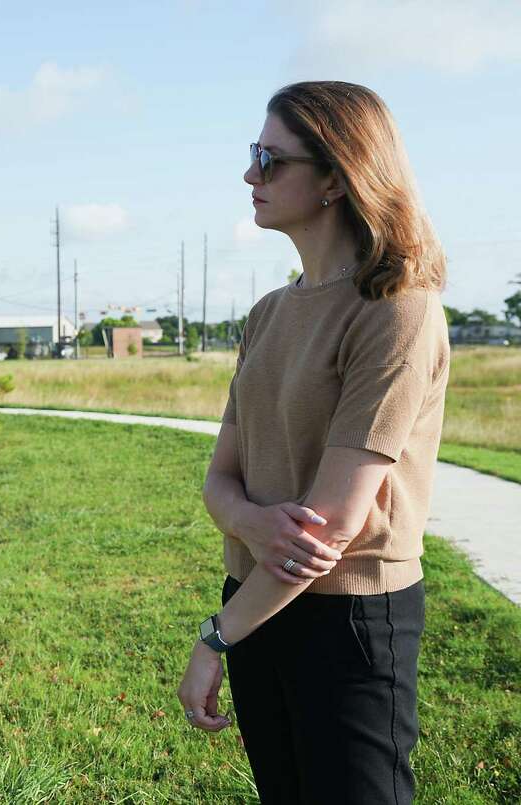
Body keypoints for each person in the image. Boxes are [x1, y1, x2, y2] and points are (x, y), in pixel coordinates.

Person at [177, 82, 449, 804]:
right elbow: (219, 479)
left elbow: (330, 526)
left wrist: (216, 637)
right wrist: (250, 522)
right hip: (254, 604)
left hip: (348, 623)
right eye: (254, 154)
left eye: (270, 159)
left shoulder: (397, 311)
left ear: (336, 177)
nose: (250, 174)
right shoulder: (268, 315)